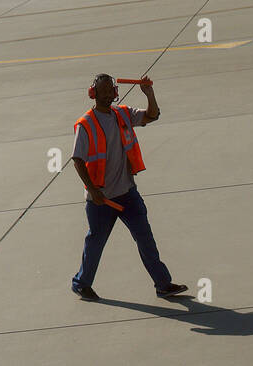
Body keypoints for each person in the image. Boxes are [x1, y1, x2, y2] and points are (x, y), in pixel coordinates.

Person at [70, 73, 186, 301]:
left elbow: (152, 115)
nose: (105, 96)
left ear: (115, 93)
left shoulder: (122, 114)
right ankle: (81, 283)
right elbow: (77, 159)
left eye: (109, 91)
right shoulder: (85, 124)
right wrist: (93, 190)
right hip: (102, 199)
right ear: (93, 94)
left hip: (128, 194)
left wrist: (149, 93)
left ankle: (163, 284)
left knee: (145, 238)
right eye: (101, 92)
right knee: (96, 242)